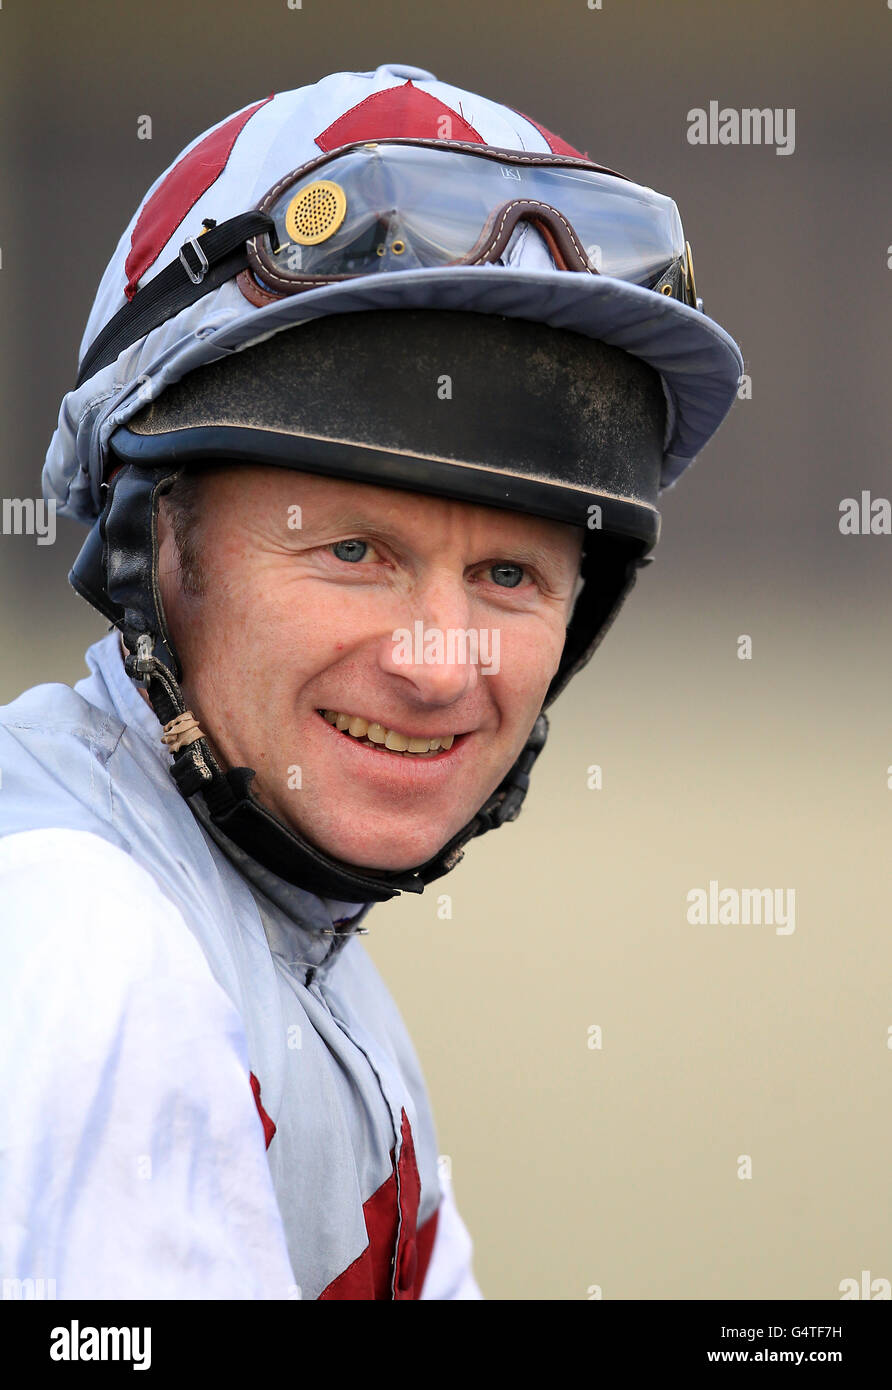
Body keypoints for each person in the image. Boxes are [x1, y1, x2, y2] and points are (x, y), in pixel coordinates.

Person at [0, 63, 742, 1299]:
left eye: (509, 573)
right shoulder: (88, 942)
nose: (436, 661)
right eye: (354, 551)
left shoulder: (293, 948)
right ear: (151, 547)